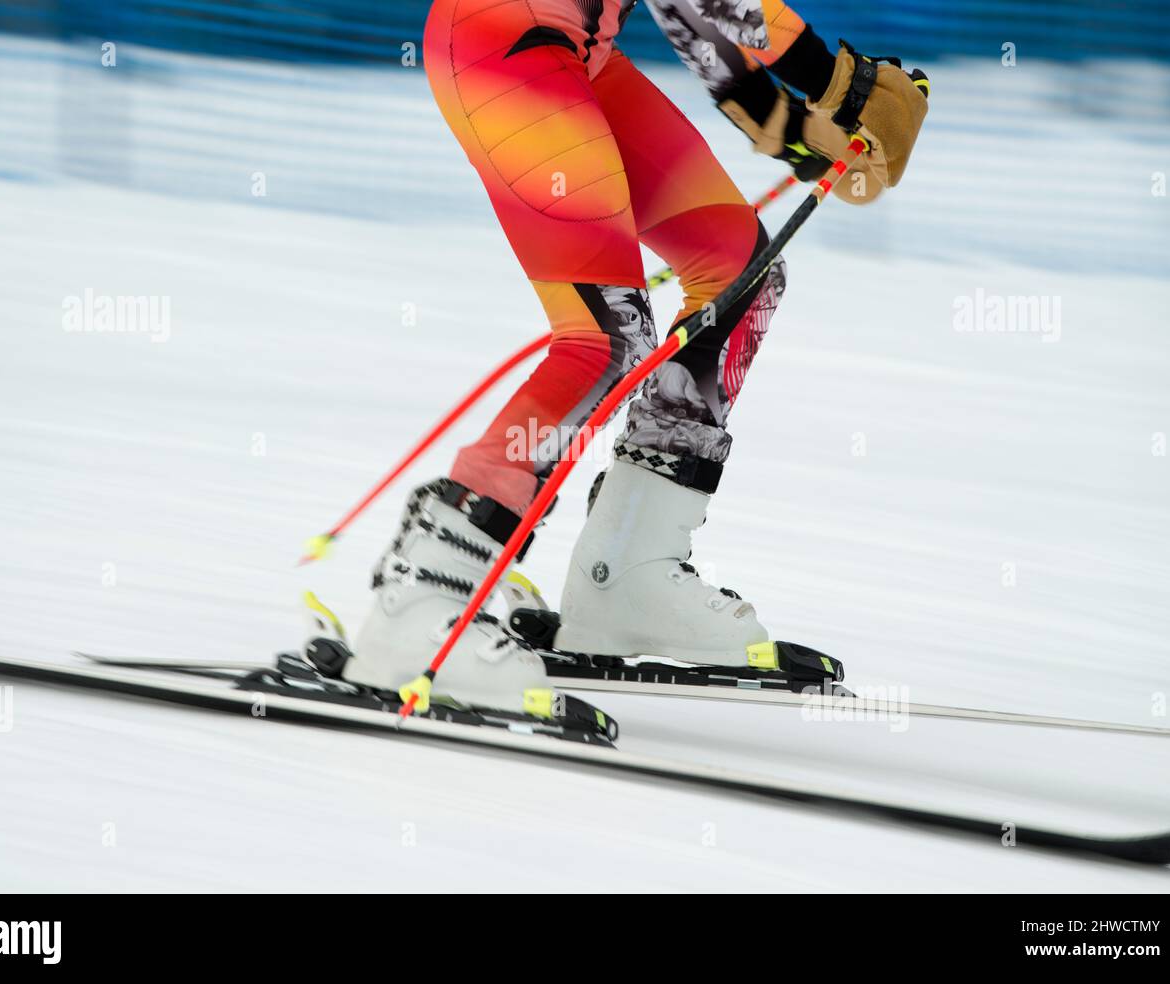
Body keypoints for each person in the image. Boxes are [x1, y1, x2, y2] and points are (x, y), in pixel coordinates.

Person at [345, 0, 928, 712]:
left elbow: (691, 13)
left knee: (740, 278)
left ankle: (624, 571)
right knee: (607, 343)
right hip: (504, 43)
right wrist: (840, 83)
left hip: (583, 55)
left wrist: (799, 129)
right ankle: (422, 596)